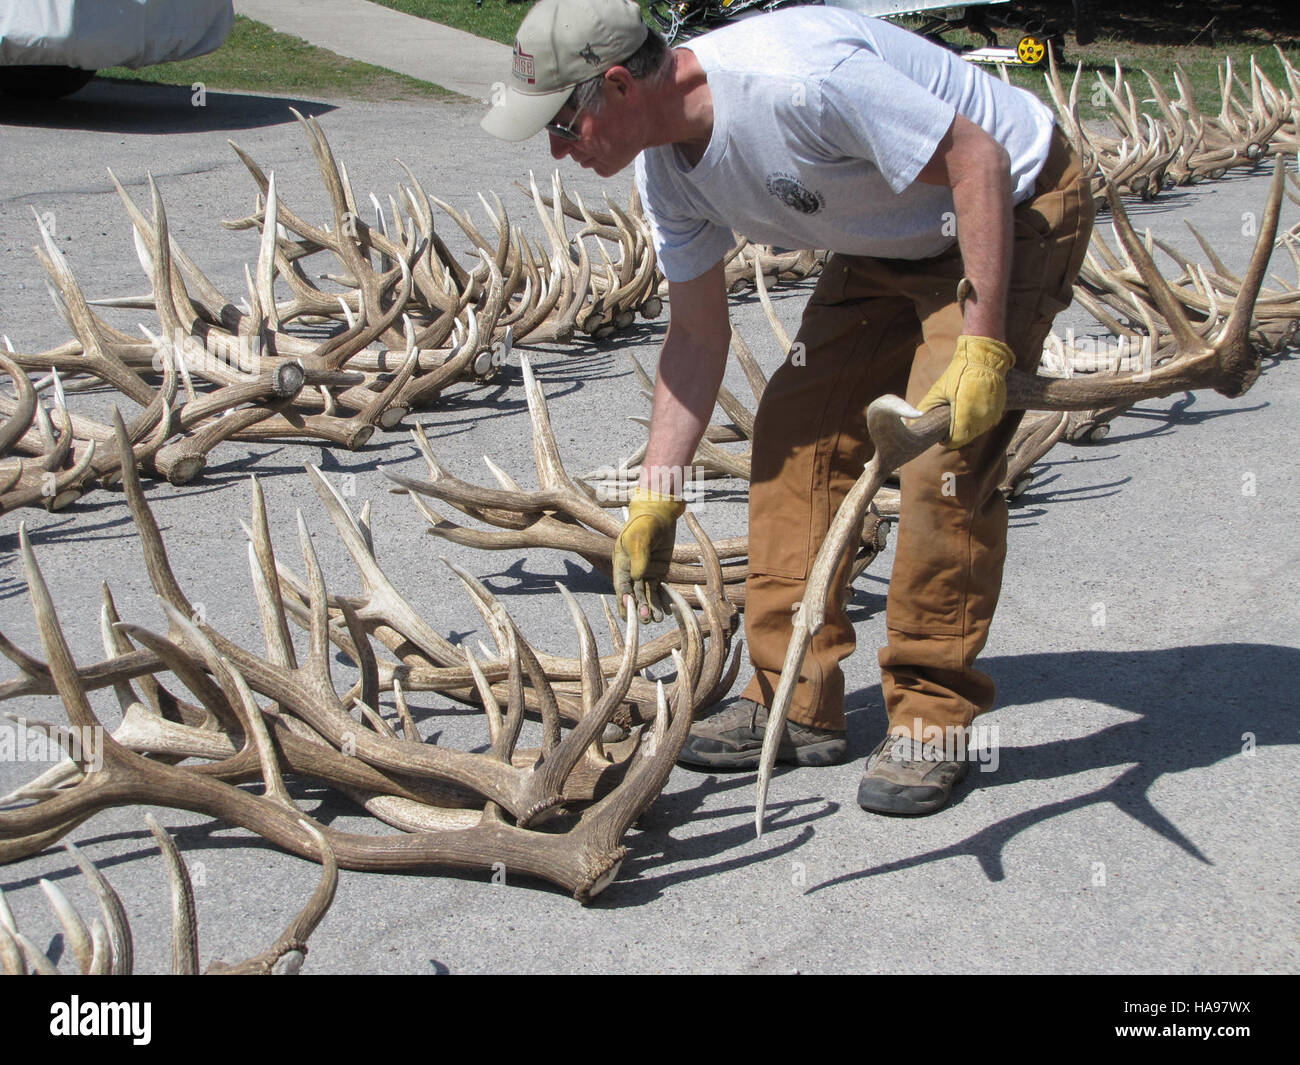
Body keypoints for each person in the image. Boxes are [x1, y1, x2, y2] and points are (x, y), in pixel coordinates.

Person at [482, 0, 1093, 815]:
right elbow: (697, 339)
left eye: (561, 125)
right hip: (894, 235)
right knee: (794, 432)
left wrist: (982, 345)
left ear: (619, 86)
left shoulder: (797, 82)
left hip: (1010, 199)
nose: (558, 150)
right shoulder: (666, 170)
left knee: (944, 452)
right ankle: (792, 695)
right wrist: (656, 495)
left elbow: (975, 156)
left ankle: (933, 715)